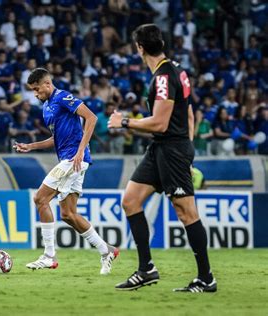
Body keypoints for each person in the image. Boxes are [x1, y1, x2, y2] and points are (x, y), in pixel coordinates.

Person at [108, 24, 216, 292]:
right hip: (164, 149)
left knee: (186, 212)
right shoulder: (178, 71)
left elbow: (159, 123)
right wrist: (188, 147)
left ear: (139, 48)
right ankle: (146, 269)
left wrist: (123, 122)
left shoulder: (164, 79)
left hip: (172, 150)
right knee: (131, 201)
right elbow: (189, 114)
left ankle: (206, 278)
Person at [14, 68, 118, 274]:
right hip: (72, 159)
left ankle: (49, 256)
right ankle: (107, 250)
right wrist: (31, 146)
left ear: (47, 84)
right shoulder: (47, 108)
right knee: (68, 214)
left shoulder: (62, 97)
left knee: (40, 199)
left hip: (74, 159)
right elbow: (56, 139)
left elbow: (91, 118)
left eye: (37, 89)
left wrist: (80, 151)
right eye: (32, 91)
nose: (35, 94)